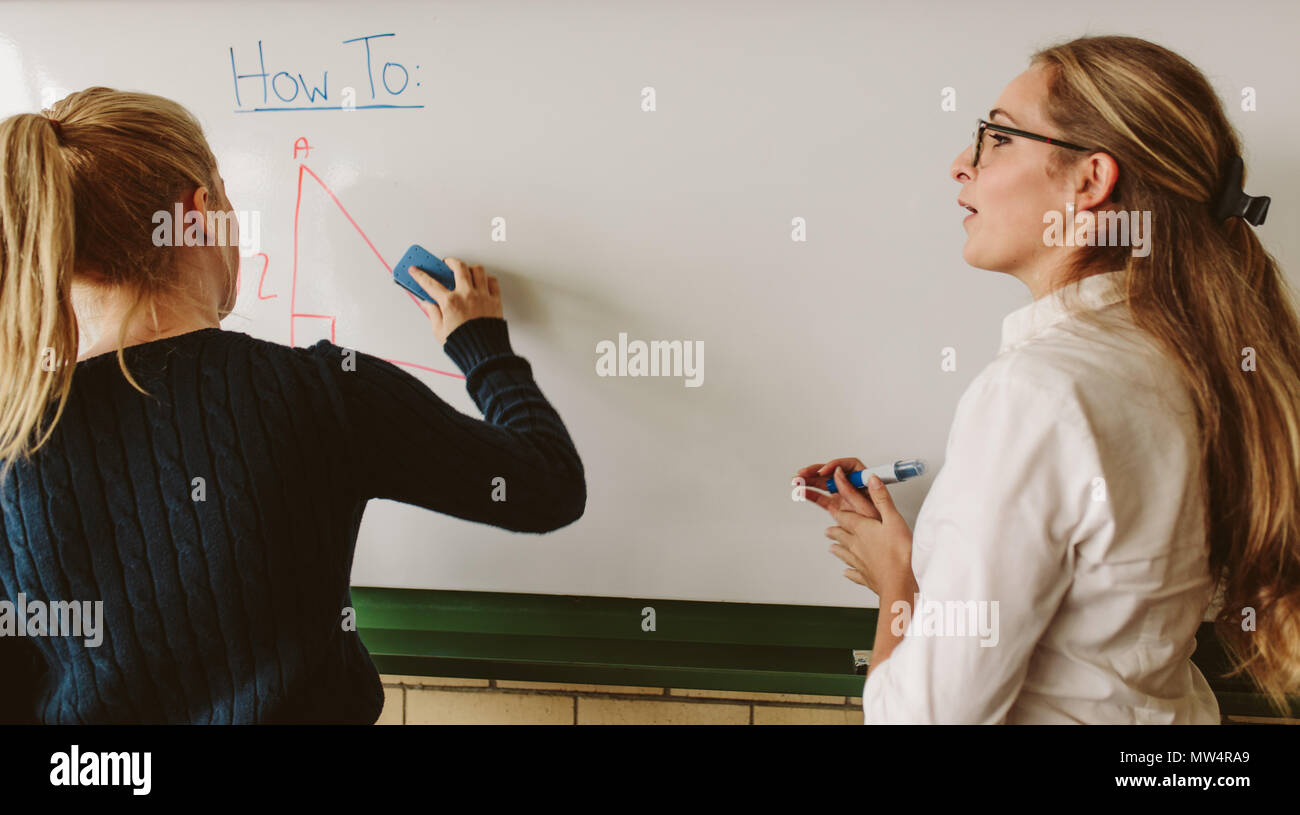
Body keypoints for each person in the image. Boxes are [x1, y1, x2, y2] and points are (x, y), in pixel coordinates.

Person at [0, 87, 585, 723]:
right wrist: (483, 349)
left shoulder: (11, 441)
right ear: (199, 213)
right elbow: (547, 484)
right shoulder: (321, 391)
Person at [796, 35, 1298, 724]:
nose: (959, 165)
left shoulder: (1036, 392)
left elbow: (928, 719)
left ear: (1090, 182)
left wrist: (899, 584)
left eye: (997, 137)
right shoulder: (1189, 364)